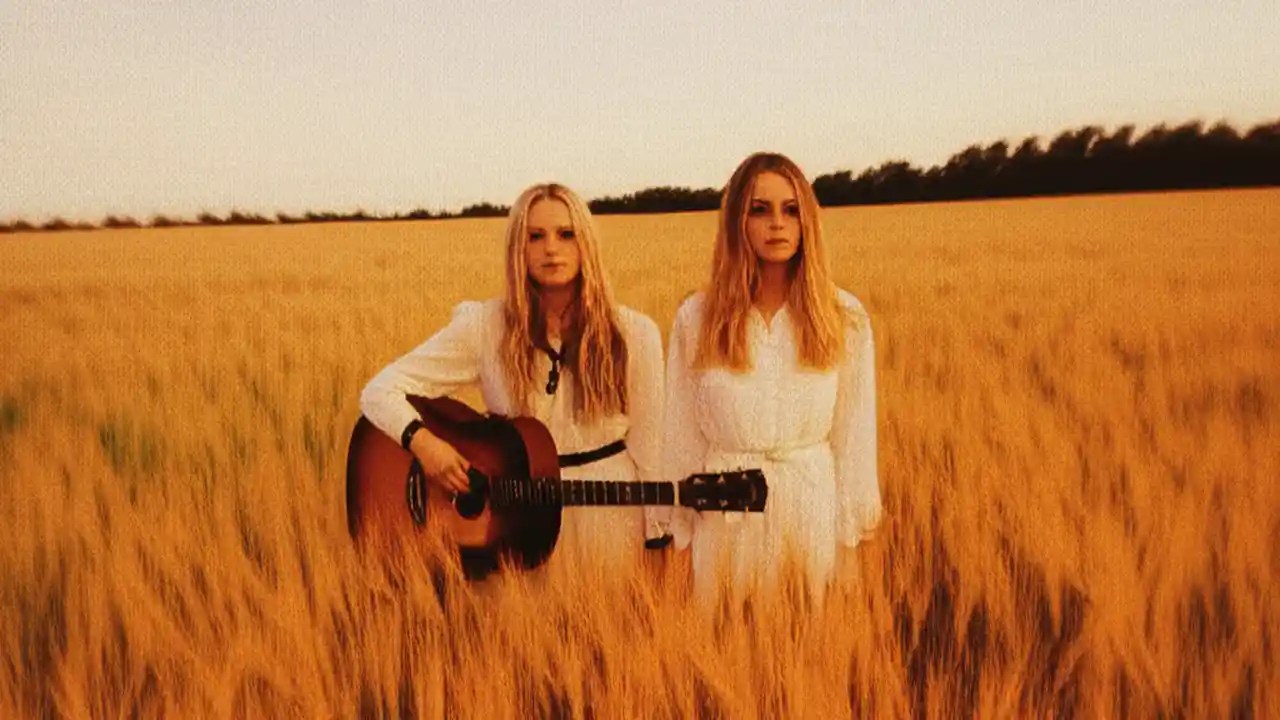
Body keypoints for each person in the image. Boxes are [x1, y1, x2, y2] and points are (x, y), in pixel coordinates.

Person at [359, 183, 667, 582]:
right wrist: (426, 445)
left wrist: (659, 540)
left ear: (586, 243)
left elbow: (652, 451)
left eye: (565, 234)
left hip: (612, 521)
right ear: (517, 250)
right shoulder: (484, 327)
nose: (550, 249)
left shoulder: (635, 333)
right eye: (534, 237)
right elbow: (379, 391)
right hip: (517, 520)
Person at [662, 152, 882, 605]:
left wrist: (852, 546)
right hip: (724, 521)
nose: (777, 224)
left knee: (807, 656)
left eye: (791, 209)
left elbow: (854, 442)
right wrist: (677, 537)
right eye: (759, 210)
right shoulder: (698, 319)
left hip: (810, 515)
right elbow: (680, 438)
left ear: (808, 222)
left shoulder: (844, 317)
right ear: (737, 223)